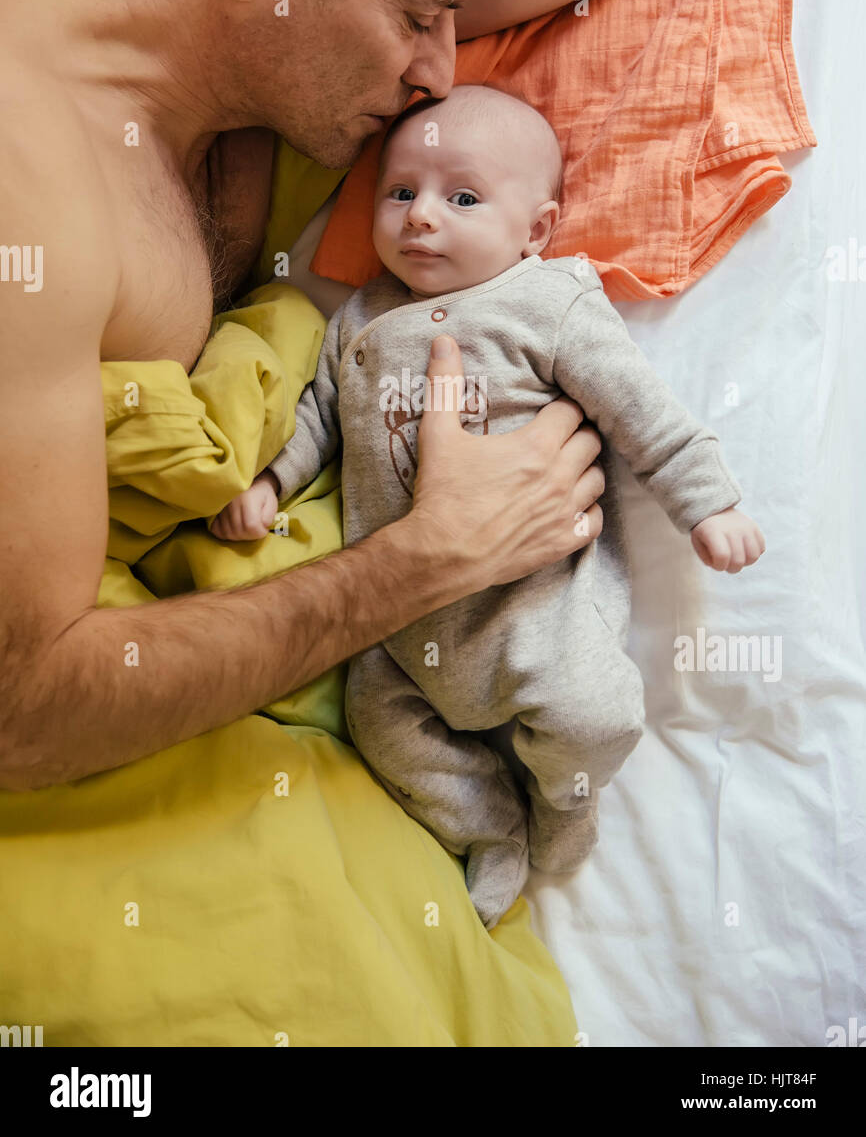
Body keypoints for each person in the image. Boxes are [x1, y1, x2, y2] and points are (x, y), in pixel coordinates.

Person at [0, 0, 642, 791]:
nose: (438, 73)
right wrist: (427, 560)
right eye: (417, 16)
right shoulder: (26, 181)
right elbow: (22, 710)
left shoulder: (238, 22)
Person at [213, 84, 766, 928]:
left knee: (595, 716)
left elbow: (640, 410)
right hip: (401, 627)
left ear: (535, 230)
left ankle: (563, 800)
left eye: (462, 198)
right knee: (380, 727)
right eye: (400, 192)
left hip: (537, 614)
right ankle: (490, 826)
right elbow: (319, 417)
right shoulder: (359, 318)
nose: (420, 215)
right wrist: (270, 484)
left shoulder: (548, 303)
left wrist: (708, 504)